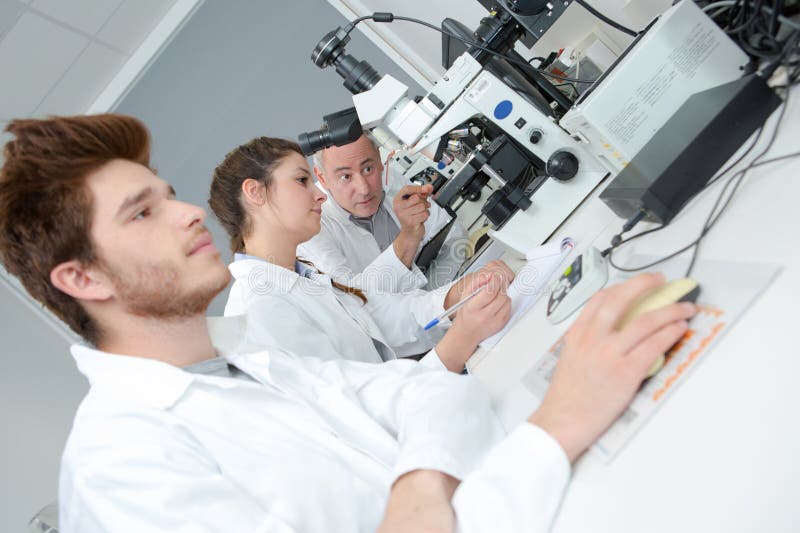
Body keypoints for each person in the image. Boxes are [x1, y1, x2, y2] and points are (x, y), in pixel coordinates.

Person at [0, 114, 697, 533]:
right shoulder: (121, 469)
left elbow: (429, 394)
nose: (186, 214)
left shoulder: (251, 365)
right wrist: (560, 423)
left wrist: (418, 493)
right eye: (141, 212)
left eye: (169, 196)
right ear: (82, 279)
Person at [208, 136, 513, 371]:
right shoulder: (260, 309)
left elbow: (377, 317)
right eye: (302, 181)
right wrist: (461, 340)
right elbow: (357, 407)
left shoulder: (302, 276)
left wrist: (452, 297)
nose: (319, 194)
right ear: (255, 192)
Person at [299, 133, 468, 292]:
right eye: (345, 177)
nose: (364, 189)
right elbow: (355, 300)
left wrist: (440, 298)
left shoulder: (387, 176)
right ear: (322, 178)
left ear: (379, 160)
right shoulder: (311, 226)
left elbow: (454, 235)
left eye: (367, 169)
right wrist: (408, 238)